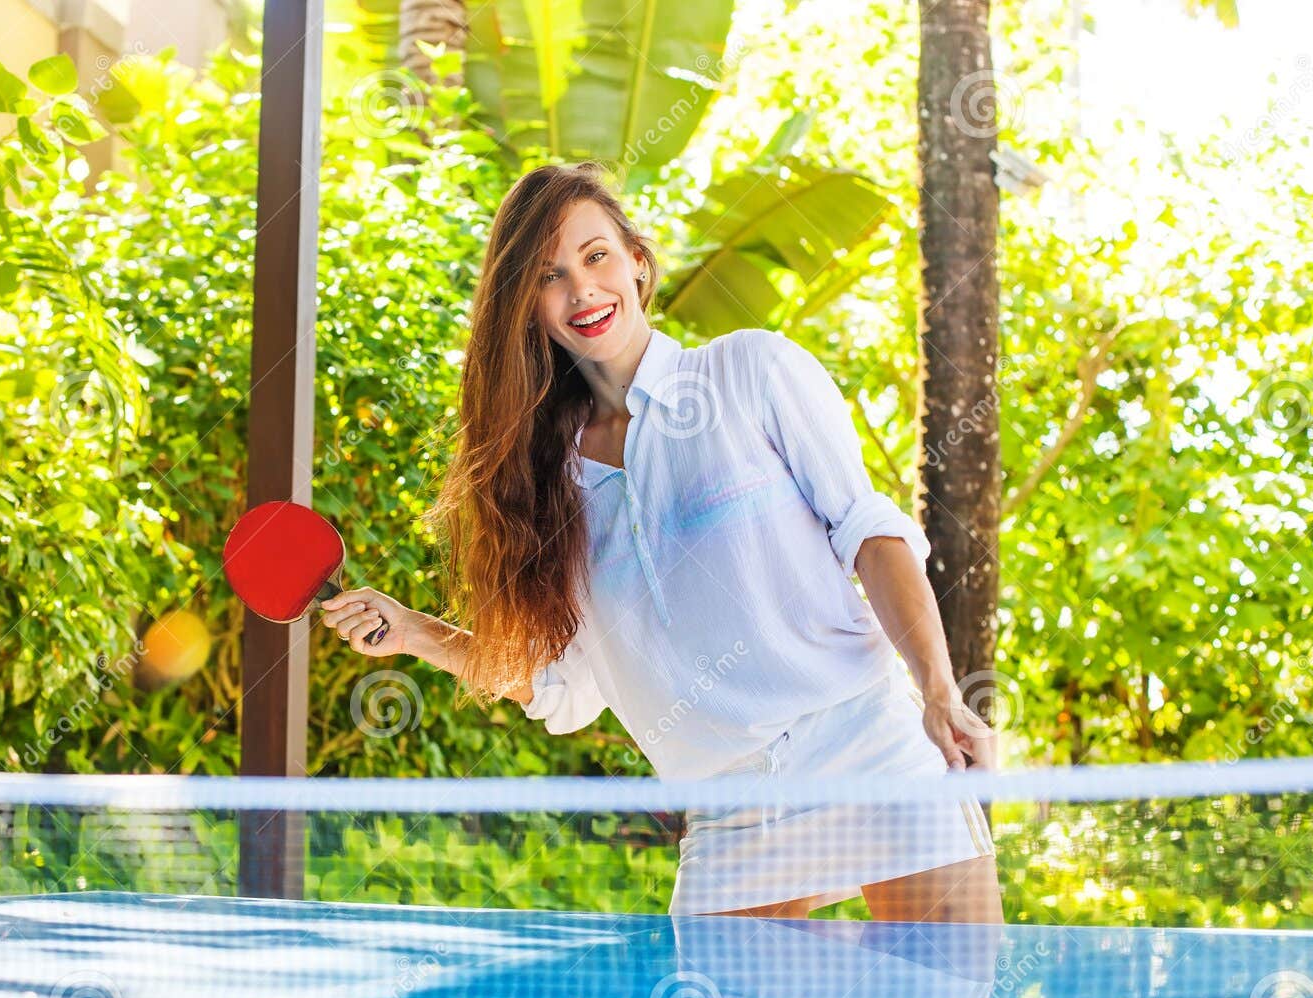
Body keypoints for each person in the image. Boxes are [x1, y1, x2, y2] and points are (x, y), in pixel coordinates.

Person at [318, 160, 1003, 923]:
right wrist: (414, 631)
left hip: (867, 749)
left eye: (596, 255)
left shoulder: (753, 370)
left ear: (637, 264)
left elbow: (871, 534)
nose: (581, 290)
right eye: (549, 276)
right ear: (528, 307)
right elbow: (562, 683)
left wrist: (941, 691)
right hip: (728, 809)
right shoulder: (547, 487)